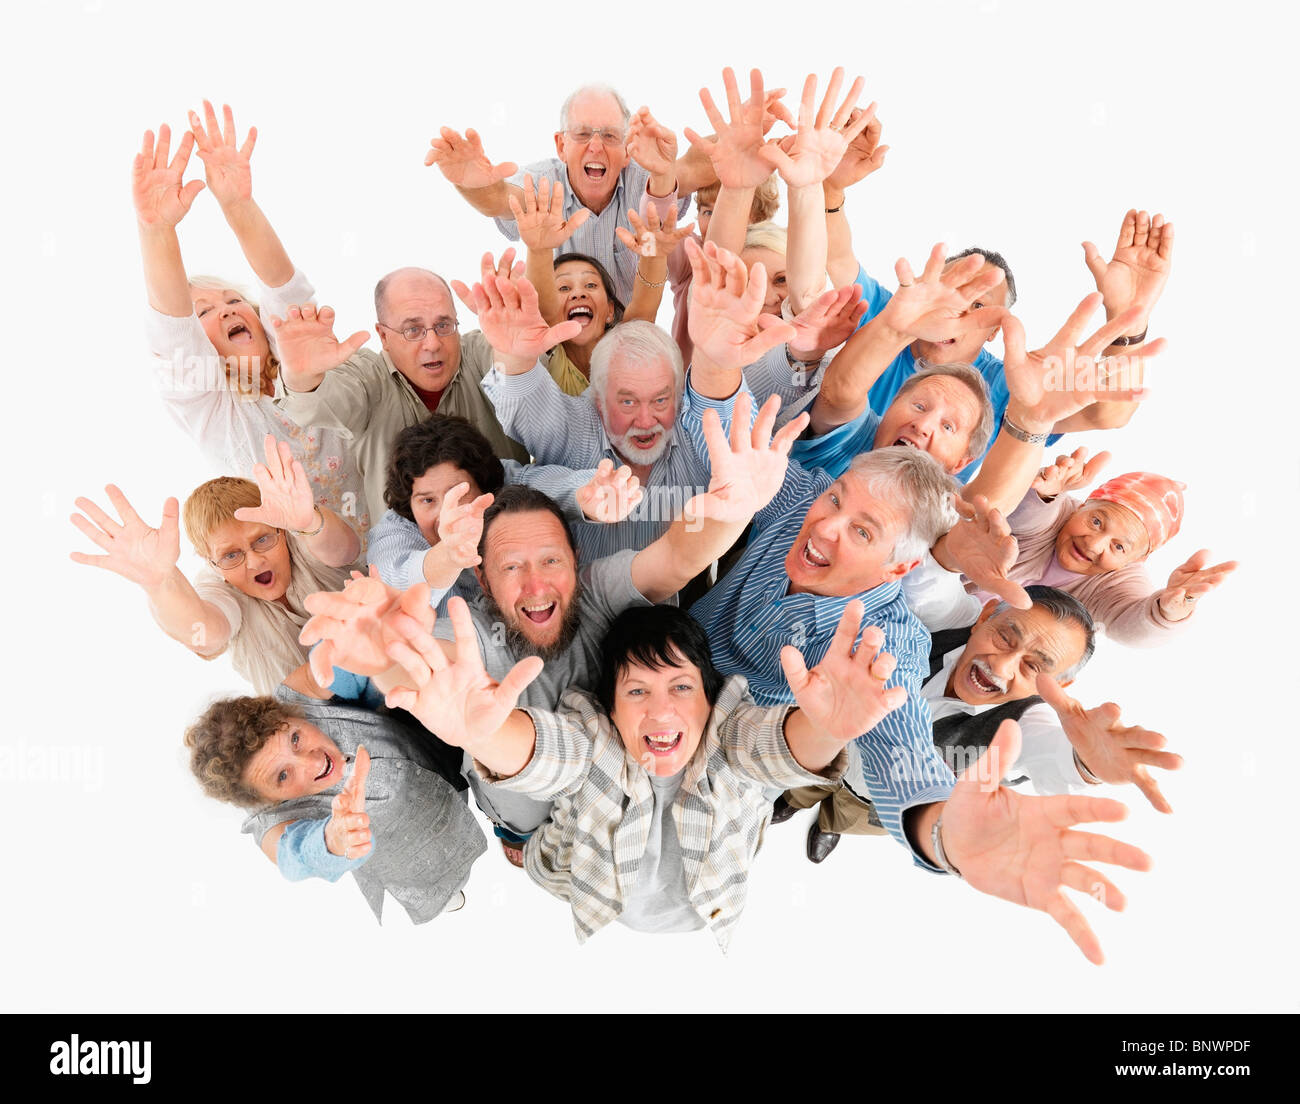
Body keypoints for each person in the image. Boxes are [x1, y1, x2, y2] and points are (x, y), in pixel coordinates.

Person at [300, 390, 809, 867]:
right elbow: (431, 665)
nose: (536, 585)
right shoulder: (465, 626)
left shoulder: (597, 587)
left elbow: (674, 558)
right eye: (511, 568)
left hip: (613, 783)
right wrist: (385, 656)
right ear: (480, 575)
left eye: (550, 561)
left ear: (577, 557)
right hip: (531, 814)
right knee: (525, 833)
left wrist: (730, 512)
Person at [374, 596, 907, 948]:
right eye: (636, 691)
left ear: (710, 699)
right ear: (609, 706)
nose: (661, 712)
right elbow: (550, 753)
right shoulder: (592, 738)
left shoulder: (733, 733)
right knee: (539, 853)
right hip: (590, 889)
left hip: (712, 906)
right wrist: (481, 732)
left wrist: (828, 729)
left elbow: (774, 747)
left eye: (680, 687)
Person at [779, 586, 1183, 859]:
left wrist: (1087, 765)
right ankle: (793, 801)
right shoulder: (933, 628)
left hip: (878, 801)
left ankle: (832, 824)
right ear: (986, 615)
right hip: (824, 748)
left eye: (1033, 666)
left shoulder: (1024, 725)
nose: (1001, 667)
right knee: (798, 784)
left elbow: (1051, 754)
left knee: (851, 815)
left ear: (1060, 684)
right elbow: (931, 582)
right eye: (1006, 637)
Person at [134, 105, 369, 532]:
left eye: (233, 301)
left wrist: (237, 205)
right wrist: (157, 231)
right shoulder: (215, 409)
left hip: (390, 554)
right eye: (204, 311)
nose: (226, 308)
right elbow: (173, 333)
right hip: (306, 580)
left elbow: (285, 292)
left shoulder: (300, 366)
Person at [458, 257, 779, 563]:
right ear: (596, 401)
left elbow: (716, 409)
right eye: (627, 402)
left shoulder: (692, 434)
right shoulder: (576, 425)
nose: (644, 420)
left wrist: (717, 359)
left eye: (660, 400)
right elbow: (527, 400)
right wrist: (511, 355)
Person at [183, 648, 485, 923]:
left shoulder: (295, 698)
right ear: (263, 799)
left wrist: (363, 642)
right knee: (442, 888)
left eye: (295, 739)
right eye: (282, 776)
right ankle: (447, 896)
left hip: (441, 748)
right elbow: (292, 858)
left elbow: (343, 654)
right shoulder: (271, 822)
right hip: (423, 851)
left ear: (285, 716)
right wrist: (332, 840)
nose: (312, 763)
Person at [71, 434, 361, 694]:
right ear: (210, 562)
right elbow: (205, 634)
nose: (255, 561)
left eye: (261, 539)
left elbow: (344, 550)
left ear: (279, 528)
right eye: (231, 555)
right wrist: (161, 583)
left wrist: (310, 521)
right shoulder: (216, 587)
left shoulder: (299, 536)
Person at [426, 83, 709, 302]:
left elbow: (696, 164)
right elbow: (500, 199)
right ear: (561, 146)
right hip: (558, 342)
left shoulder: (644, 173)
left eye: (610, 135)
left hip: (626, 341)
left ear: (626, 149)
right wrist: (472, 184)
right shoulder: (543, 183)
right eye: (583, 134)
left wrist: (750, 130)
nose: (596, 146)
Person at [366, 415, 644, 603]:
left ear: (488, 489)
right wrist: (451, 554)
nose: (446, 514)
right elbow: (395, 583)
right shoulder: (395, 528)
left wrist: (590, 498)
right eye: (427, 501)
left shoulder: (503, 482)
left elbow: (557, 486)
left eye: (458, 494)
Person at [996, 454, 1238, 646]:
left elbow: (1133, 627)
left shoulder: (1120, 581)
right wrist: (1044, 494)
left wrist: (1167, 613)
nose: (1093, 545)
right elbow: (1022, 519)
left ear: (1138, 559)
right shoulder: (1057, 512)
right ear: (1085, 503)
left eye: (1119, 546)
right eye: (1097, 522)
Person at [509, 173, 693, 392]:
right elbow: (544, 308)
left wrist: (654, 256)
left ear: (609, 311)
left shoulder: (623, 350)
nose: (578, 294)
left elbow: (644, 307)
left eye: (591, 285)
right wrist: (539, 250)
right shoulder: (545, 356)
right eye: (564, 287)